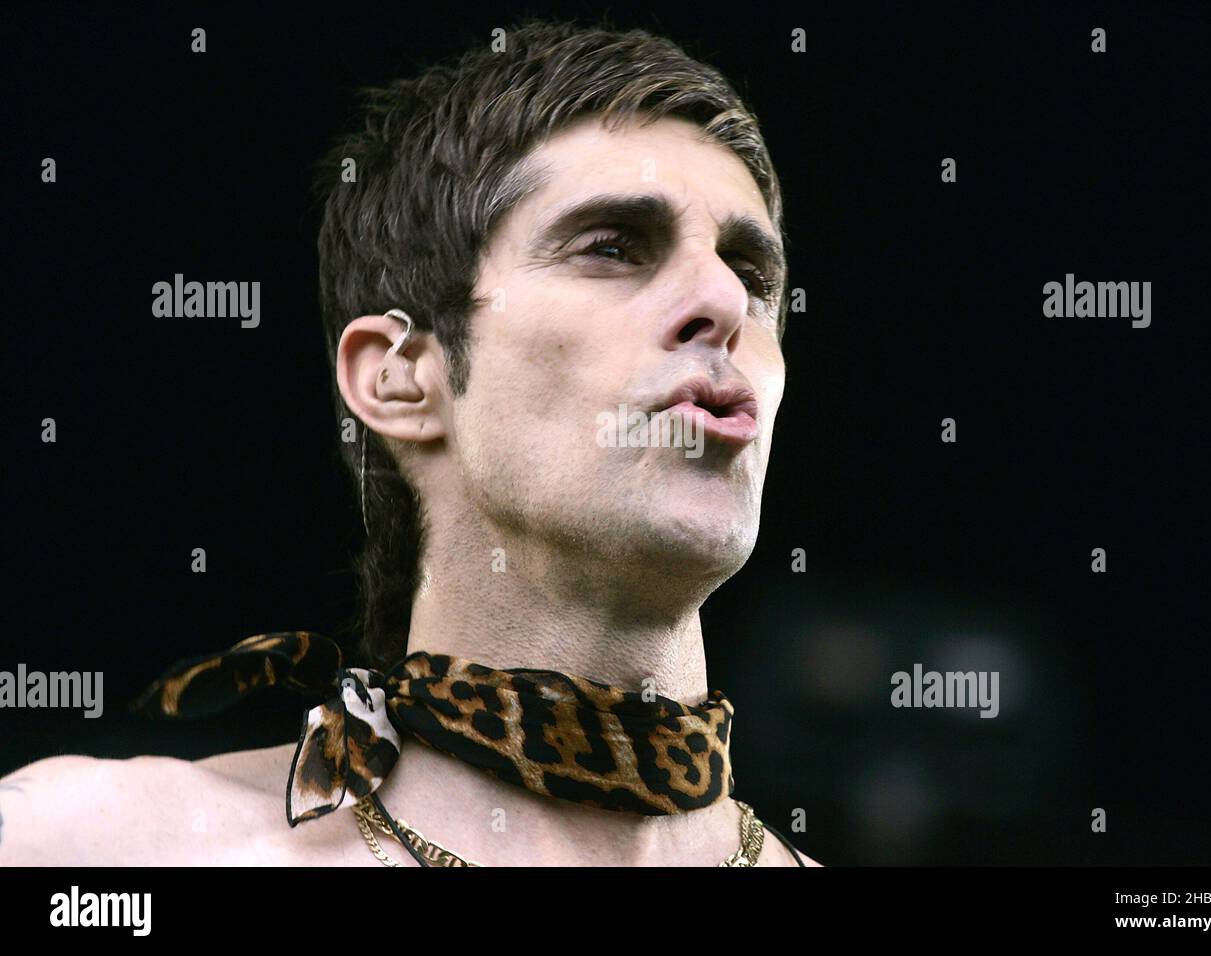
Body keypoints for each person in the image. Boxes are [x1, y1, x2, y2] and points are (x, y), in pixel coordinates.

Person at [0, 18, 818, 867]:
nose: (724, 301)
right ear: (398, 379)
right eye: (611, 248)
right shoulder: (86, 849)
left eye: (753, 275)